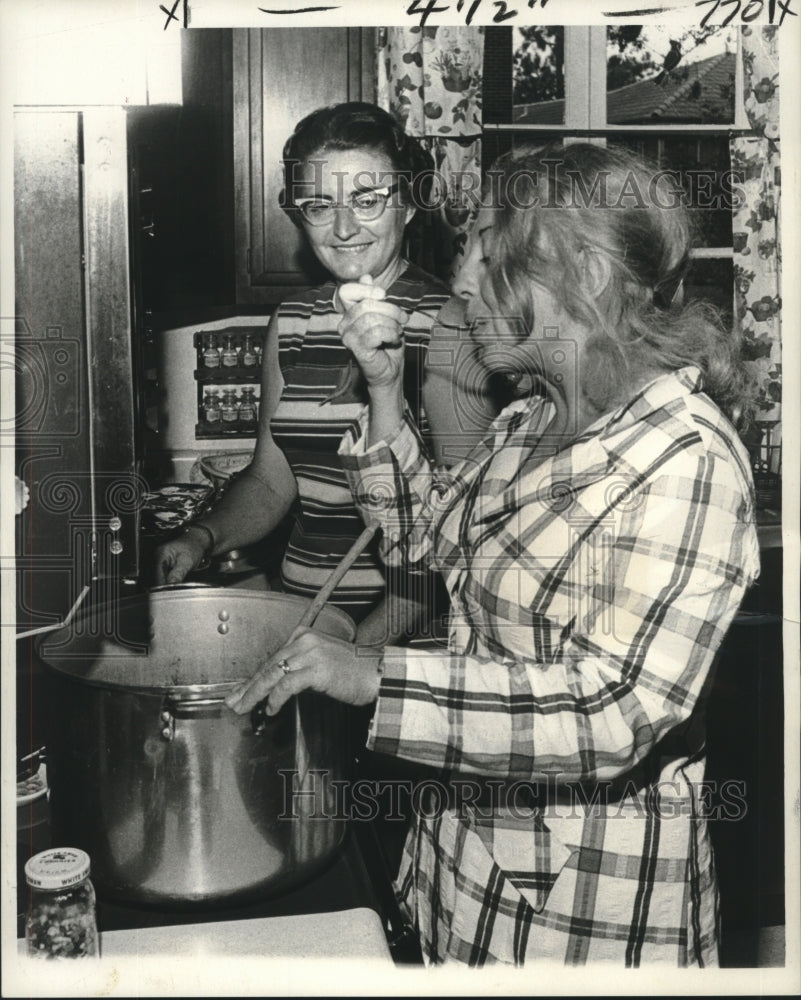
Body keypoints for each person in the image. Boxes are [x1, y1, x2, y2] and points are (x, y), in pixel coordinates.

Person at [225, 143, 761, 966]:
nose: (463, 284)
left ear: (582, 272)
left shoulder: (682, 459)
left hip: (581, 902)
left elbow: (608, 711)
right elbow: (420, 543)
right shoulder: (530, 419)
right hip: (459, 853)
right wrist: (380, 386)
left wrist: (373, 674)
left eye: (486, 252)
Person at [155, 102, 450, 645]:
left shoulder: (450, 324)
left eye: (367, 201)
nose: (342, 228)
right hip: (297, 620)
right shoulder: (292, 321)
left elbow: (457, 532)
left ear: (406, 203)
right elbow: (271, 482)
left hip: (401, 647)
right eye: (320, 204)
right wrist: (200, 537)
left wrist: (357, 651)